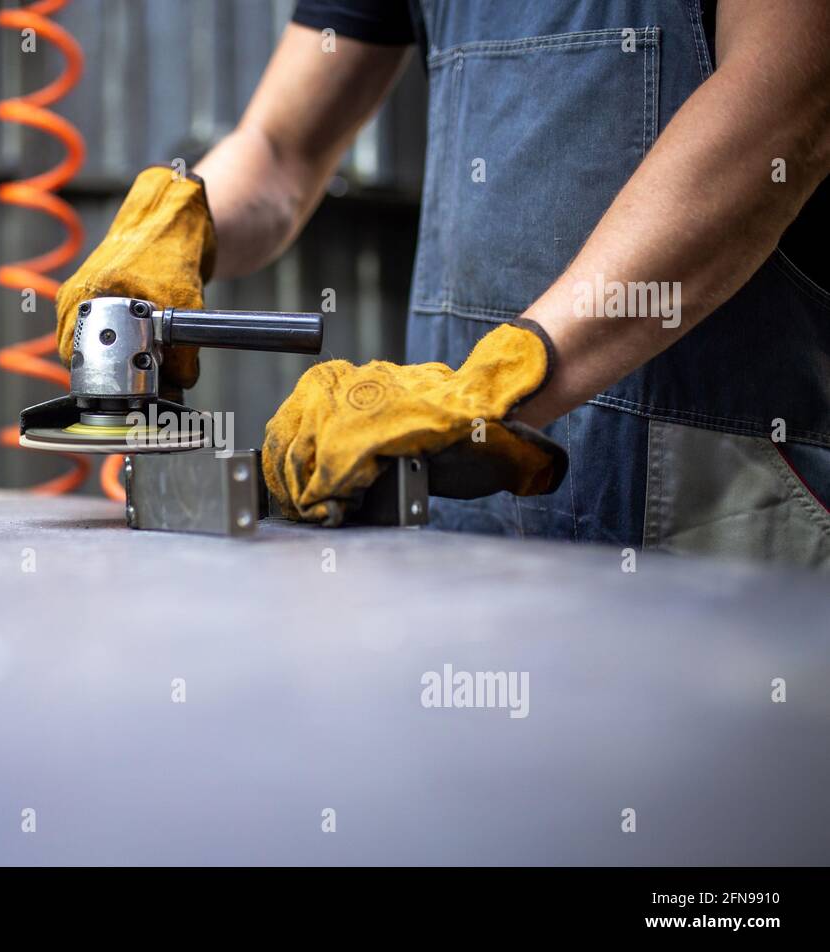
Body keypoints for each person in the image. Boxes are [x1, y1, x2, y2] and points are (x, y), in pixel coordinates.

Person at [54, 0, 830, 565]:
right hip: (454, 484)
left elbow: (788, 99)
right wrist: (180, 219)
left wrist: (502, 382)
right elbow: (279, 148)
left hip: (714, 495)